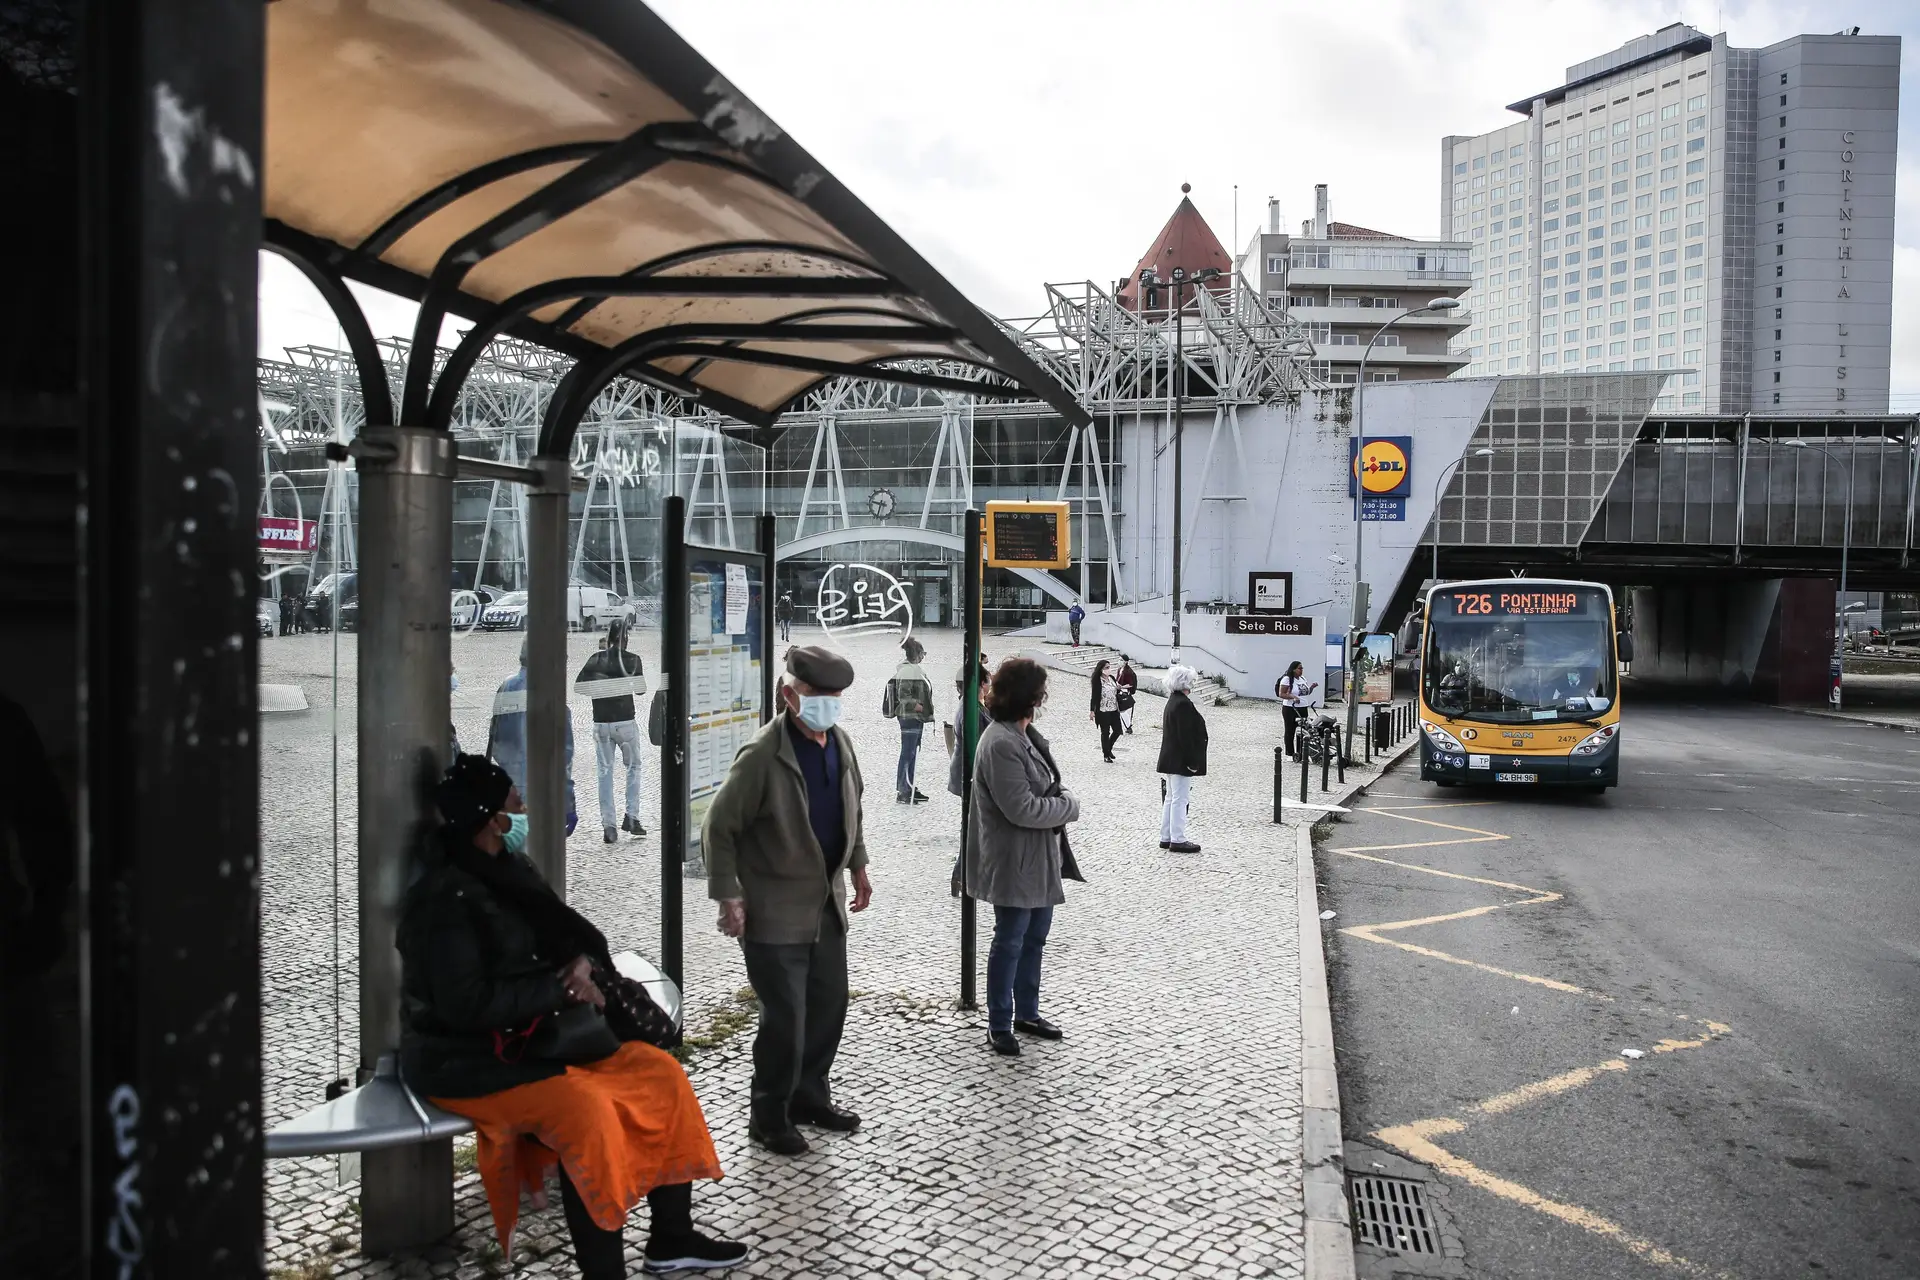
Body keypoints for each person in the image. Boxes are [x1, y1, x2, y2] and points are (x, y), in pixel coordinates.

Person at [398, 755, 748, 1277]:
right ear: (491, 820)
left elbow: (554, 937)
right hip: (470, 1060)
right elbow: (464, 1006)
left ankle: (671, 1238)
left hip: (539, 1038)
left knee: (662, 1074)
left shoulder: (509, 869)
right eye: (514, 801)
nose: (523, 806)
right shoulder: (445, 900)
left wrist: (582, 968)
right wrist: (562, 990)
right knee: (587, 1112)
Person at [702, 646, 872, 1156]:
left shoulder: (840, 742)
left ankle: (809, 1098)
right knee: (786, 1020)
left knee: (828, 1008)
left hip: (826, 905)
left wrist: (858, 865)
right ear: (788, 695)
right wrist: (728, 894)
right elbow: (718, 828)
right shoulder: (762, 755)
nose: (828, 704)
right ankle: (768, 1114)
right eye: (817, 694)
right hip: (775, 910)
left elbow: (853, 809)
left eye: (835, 695)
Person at [962, 657, 1080, 1057]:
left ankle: (1027, 1013)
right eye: (1041, 692)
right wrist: (1068, 806)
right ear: (1028, 697)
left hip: (1039, 859)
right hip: (1014, 861)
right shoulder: (1000, 743)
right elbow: (1022, 808)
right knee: (1010, 941)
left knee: (1034, 940)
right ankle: (999, 1022)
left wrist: (1058, 802)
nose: (1044, 699)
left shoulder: (1023, 735)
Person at [489, 639, 578, 839]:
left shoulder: (506, 687)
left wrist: (511, 771)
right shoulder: (549, 692)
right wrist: (567, 802)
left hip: (510, 789)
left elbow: (496, 739)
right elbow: (563, 754)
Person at [575, 619, 649, 843]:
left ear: (609, 638)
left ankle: (609, 826)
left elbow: (579, 686)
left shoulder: (596, 659)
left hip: (602, 722)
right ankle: (632, 817)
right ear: (625, 638)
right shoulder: (633, 660)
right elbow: (641, 690)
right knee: (633, 768)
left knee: (605, 773)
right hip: (625, 722)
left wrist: (600, 686)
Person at [1157, 666, 1208, 854]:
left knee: (1171, 798)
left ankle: (1166, 836)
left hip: (1171, 757)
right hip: (1180, 759)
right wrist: (1192, 761)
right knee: (1180, 799)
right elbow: (1186, 736)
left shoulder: (1173, 701)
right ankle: (1177, 838)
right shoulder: (1183, 704)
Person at [881, 636, 935, 803]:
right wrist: (917, 706)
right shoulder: (907, 671)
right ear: (917, 654)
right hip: (909, 717)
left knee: (913, 753)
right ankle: (903, 790)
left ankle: (909, 787)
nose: (924, 656)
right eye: (923, 653)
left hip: (916, 717)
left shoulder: (913, 669)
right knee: (908, 753)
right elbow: (903, 695)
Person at [1275, 660, 1319, 759]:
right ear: (1294, 669)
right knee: (1290, 730)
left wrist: (1312, 687)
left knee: (1302, 730)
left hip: (1303, 707)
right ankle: (1290, 753)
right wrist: (1293, 697)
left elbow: (1306, 692)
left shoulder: (1302, 679)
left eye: (1302, 668)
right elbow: (1281, 694)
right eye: (1299, 668)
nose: (1301, 670)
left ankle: (1301, 753)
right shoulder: (1287, 679)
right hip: (1290, 708)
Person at [1088, 658, 1122, 763]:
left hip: (1114, 709)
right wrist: (1092, 711)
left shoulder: (1112, 678)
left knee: (1117, 731)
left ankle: (1109, 748)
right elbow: (1094, 696)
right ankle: (1106, 755)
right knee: (1105, 732)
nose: (1108, 669)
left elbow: (1115, 691)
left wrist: (1118, 688)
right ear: (1101, 669)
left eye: (1109, 667)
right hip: (1103, 710)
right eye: (1106, 667)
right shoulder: (1097, 681)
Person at [1115, 657, 1138, 734]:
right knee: (1119, 710)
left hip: (1124, 692)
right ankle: (1124, 727)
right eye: (1119, 660)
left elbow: (1131, 684)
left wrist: (1121, 687)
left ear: (1126, 661)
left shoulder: (1128, 672)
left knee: (1122, 710)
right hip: (1118, 691)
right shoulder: (1119, 669)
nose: (1119, 661)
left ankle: (1128, 727)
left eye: (1121, 660)